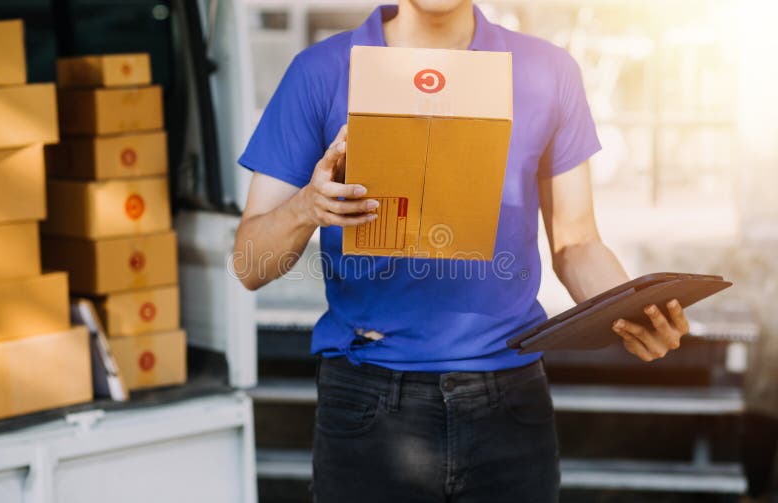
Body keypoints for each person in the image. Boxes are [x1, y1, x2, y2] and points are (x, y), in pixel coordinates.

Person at [233, 1, 690, 501]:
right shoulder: (321, 71)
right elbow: (249, 263)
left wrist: (631, 311)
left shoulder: (546, 72)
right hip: (367, 401)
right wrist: (306, 207)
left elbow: (576, 243)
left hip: (510, 403)